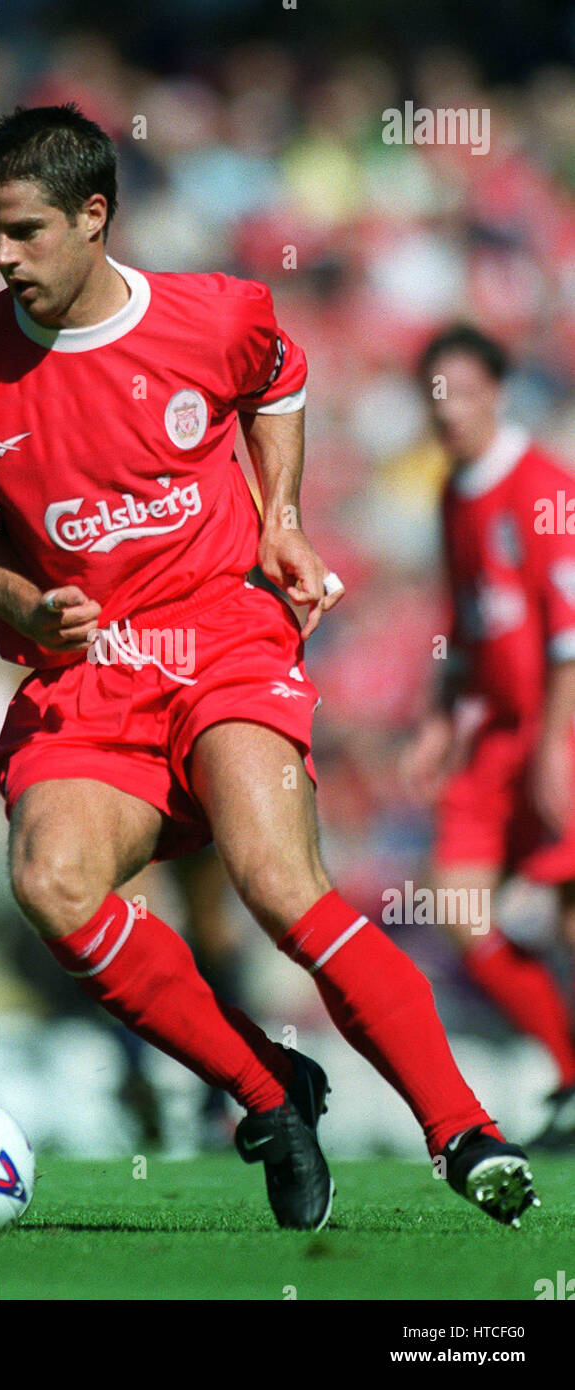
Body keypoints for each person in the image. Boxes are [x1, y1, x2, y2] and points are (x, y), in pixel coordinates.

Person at [0, 105, 537, 1228]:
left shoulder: (211, 314)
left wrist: (280, 517)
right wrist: (22, 604)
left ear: (94, 216)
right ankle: (264, 1092)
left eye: (21, 231)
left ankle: (462, 1132)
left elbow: (278, 377)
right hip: (88, 674)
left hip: (218, 636)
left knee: (278, 885)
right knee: (49, 881)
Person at [404, 323, 575, 1149]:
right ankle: (569, 1072)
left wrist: (555, 743)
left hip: (558, 726)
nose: (449, 412)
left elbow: (570, 629)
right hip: (497, 738)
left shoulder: (542, 487)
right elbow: (464, 624)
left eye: (463, 392)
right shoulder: (452, 492)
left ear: (496, 393)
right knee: (458, 902)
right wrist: (438, 725)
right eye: (436, 396)